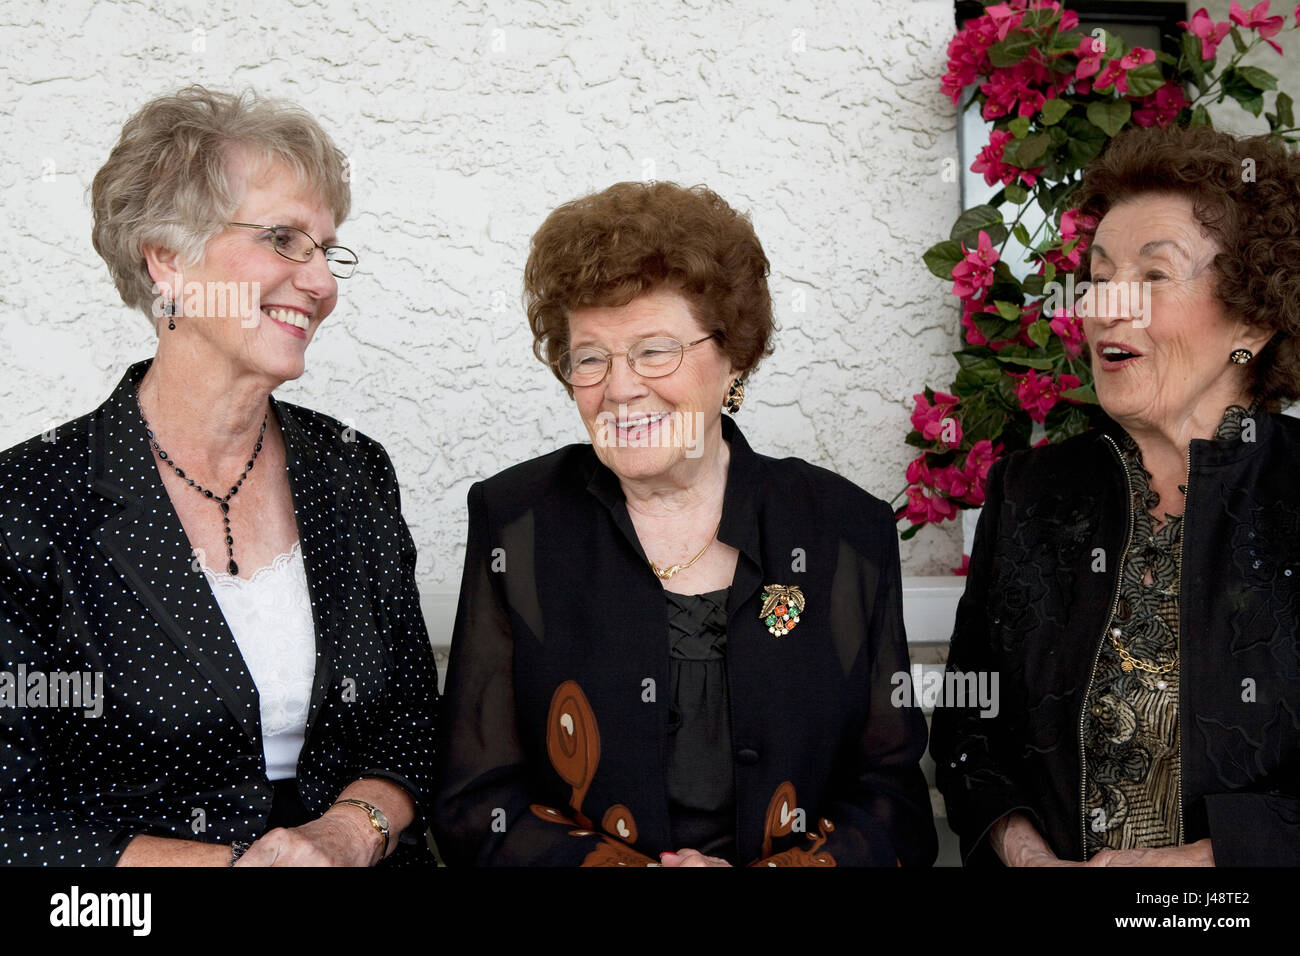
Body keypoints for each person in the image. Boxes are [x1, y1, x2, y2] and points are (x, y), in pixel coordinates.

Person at [433, 181, 936, 867]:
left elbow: (894, 806)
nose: (619, 387)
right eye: (590, 357)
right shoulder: (518, 522)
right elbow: (473, 802)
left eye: (654, 350)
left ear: (733, 357)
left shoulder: (844, 532)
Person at [0, 86, 438, 866]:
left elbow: (410, 722)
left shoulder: (353, 470)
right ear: (167, 258)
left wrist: (345, 835)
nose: (322, 283)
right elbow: (12, 809)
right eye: (284, 240)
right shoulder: (29, 501)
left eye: (328, 250)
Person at [931, 124, 1300, 867]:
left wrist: (1206, 863)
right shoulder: (1032, 491)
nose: (1103, 307)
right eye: (1098, 278)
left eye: (1153, 276)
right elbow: (972, 728)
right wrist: (1025, 853)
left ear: (1254, 320)